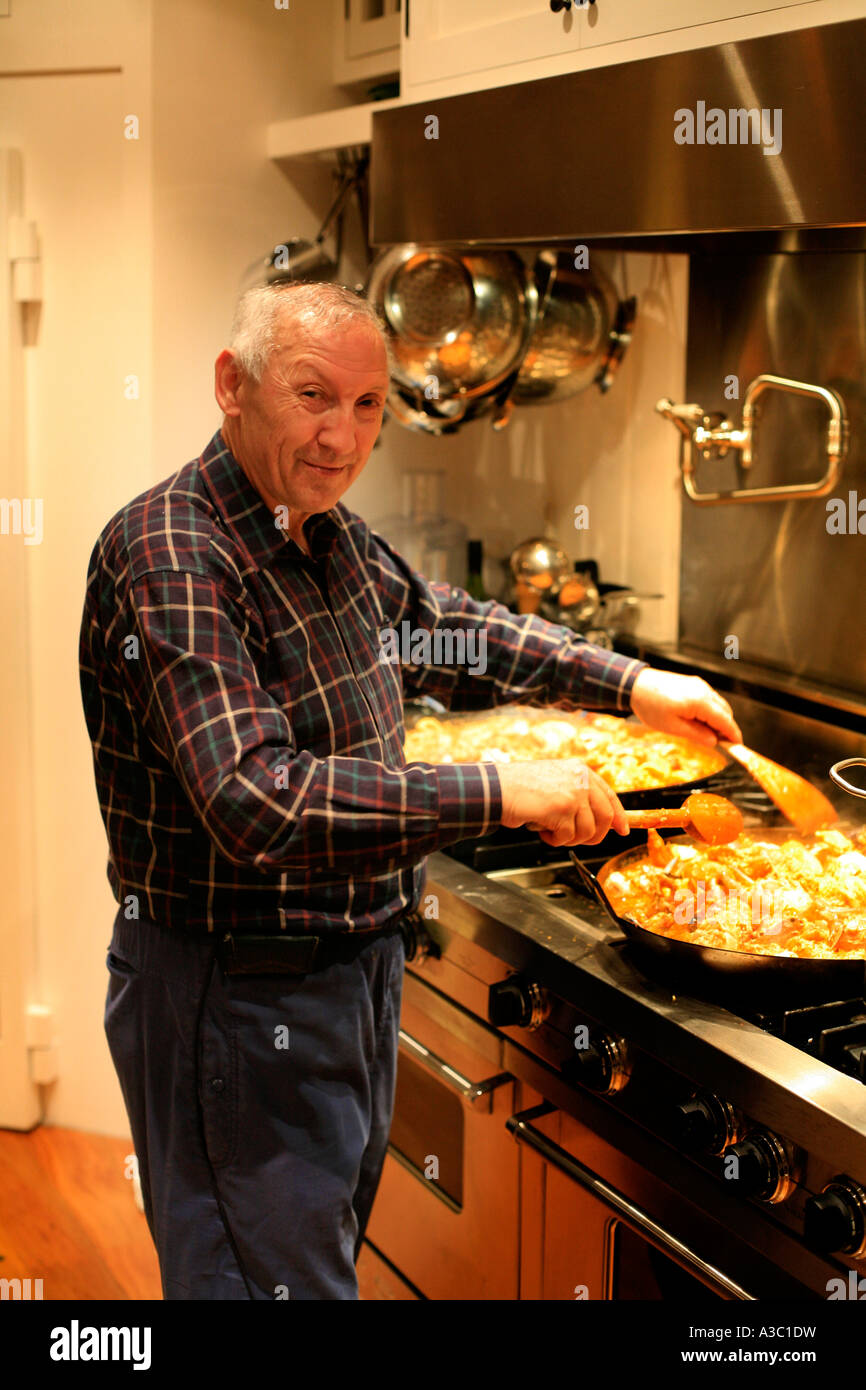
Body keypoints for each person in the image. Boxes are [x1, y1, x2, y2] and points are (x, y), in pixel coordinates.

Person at [78, 280, 742, 1300]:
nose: (340, 436)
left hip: (345, 978)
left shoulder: (330, 540)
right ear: (232, 385)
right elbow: (258, 800)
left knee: (304, 1269)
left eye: (366, 406)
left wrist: (632, 683)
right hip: (232, 997)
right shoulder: (173, 551)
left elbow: (456, 627)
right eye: (312, 396)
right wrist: (496, 788)